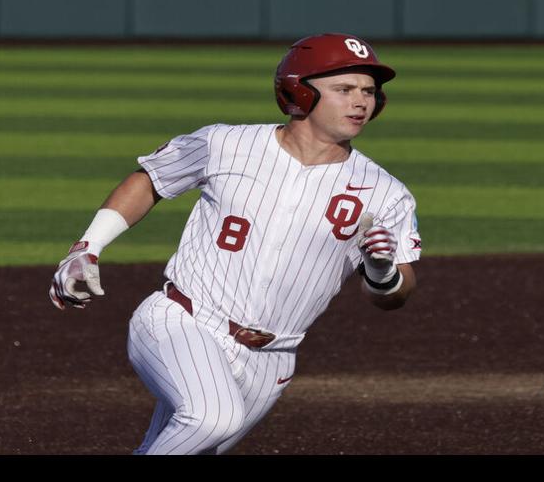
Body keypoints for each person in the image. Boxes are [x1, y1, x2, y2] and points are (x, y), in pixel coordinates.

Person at [48, 33, 422, 454]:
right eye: (344, 89)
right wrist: (88, 247)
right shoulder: (226, 144)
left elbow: (396, 292)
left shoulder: (386, 193)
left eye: (369, 92)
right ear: (299, 92)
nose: (361, 102)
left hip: (273, 359)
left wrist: (382, 272)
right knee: (211, 418)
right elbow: (150, 180)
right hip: (183, 320)